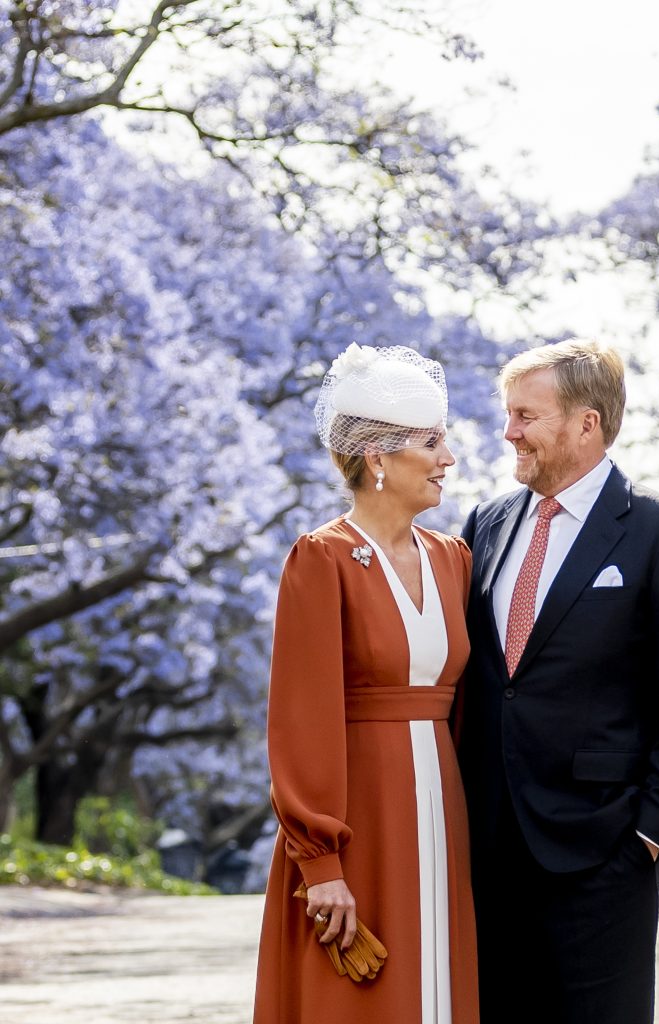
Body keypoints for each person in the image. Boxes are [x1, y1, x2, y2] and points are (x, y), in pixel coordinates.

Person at [458, 339, 659, 1024]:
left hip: (604, 852)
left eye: (526, 415)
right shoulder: (484, 525)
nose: (508, 432)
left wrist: (654, 835)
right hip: (486, 849)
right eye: (507, 413)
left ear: (587, 422)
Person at [254, 343, 478, 1024]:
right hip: (358, 821)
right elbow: (301, 719)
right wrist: (320, 865)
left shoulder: (454, 560)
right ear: (378, 456)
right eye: (433, 442)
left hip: (445, 814)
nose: (448, 458)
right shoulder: (320, 559)